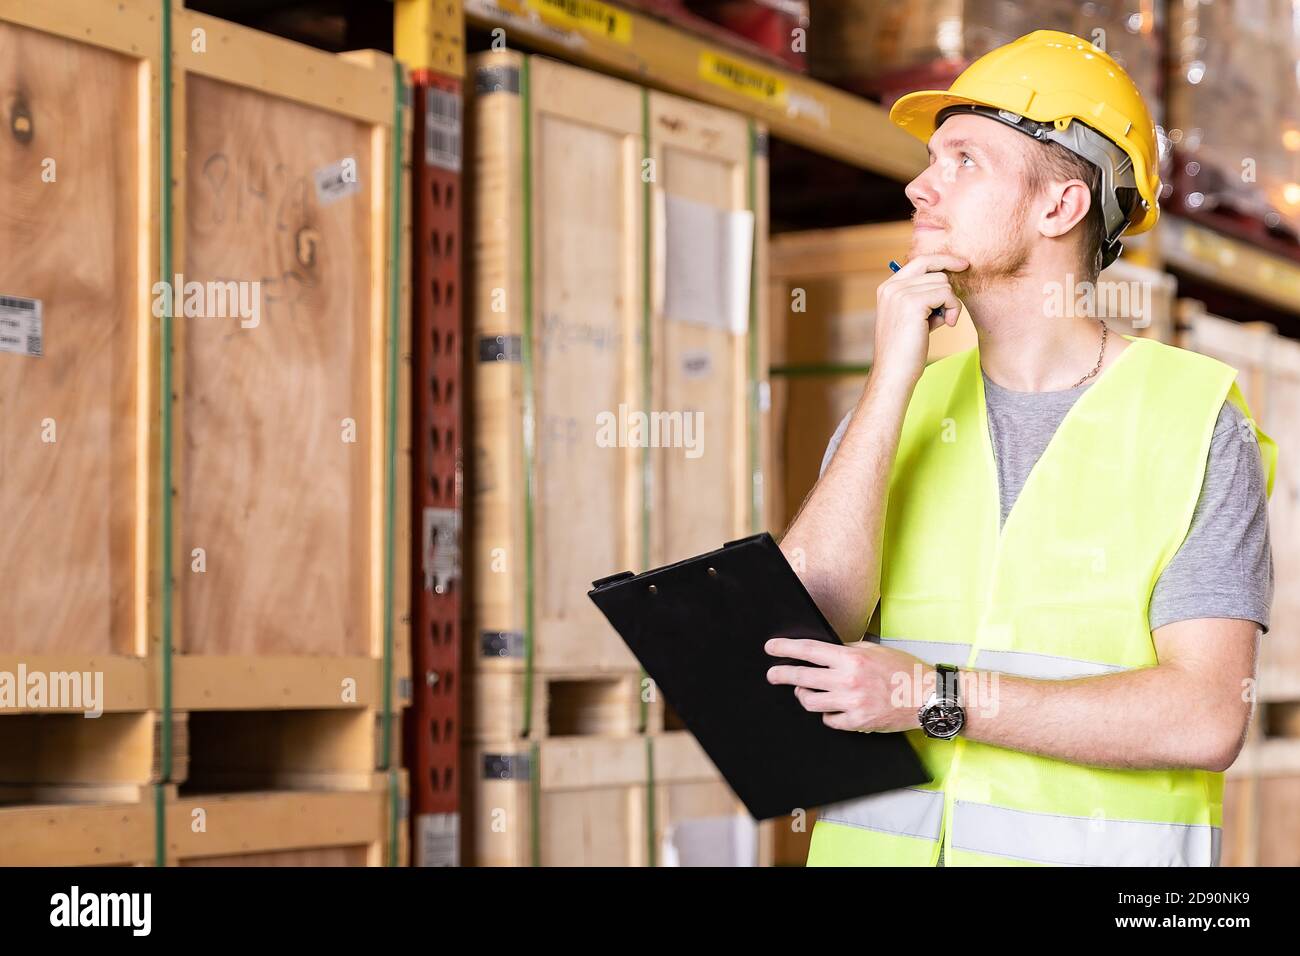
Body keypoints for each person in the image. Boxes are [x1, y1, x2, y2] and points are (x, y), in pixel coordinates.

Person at [766, 30, 1278, 867]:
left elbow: (1204, 714)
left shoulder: (1192, 420)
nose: (918, 185)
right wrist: (893, 374)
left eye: (963, 160)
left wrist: (932, 698)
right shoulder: (902, 405)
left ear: (1059, 207)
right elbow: (806, 623)